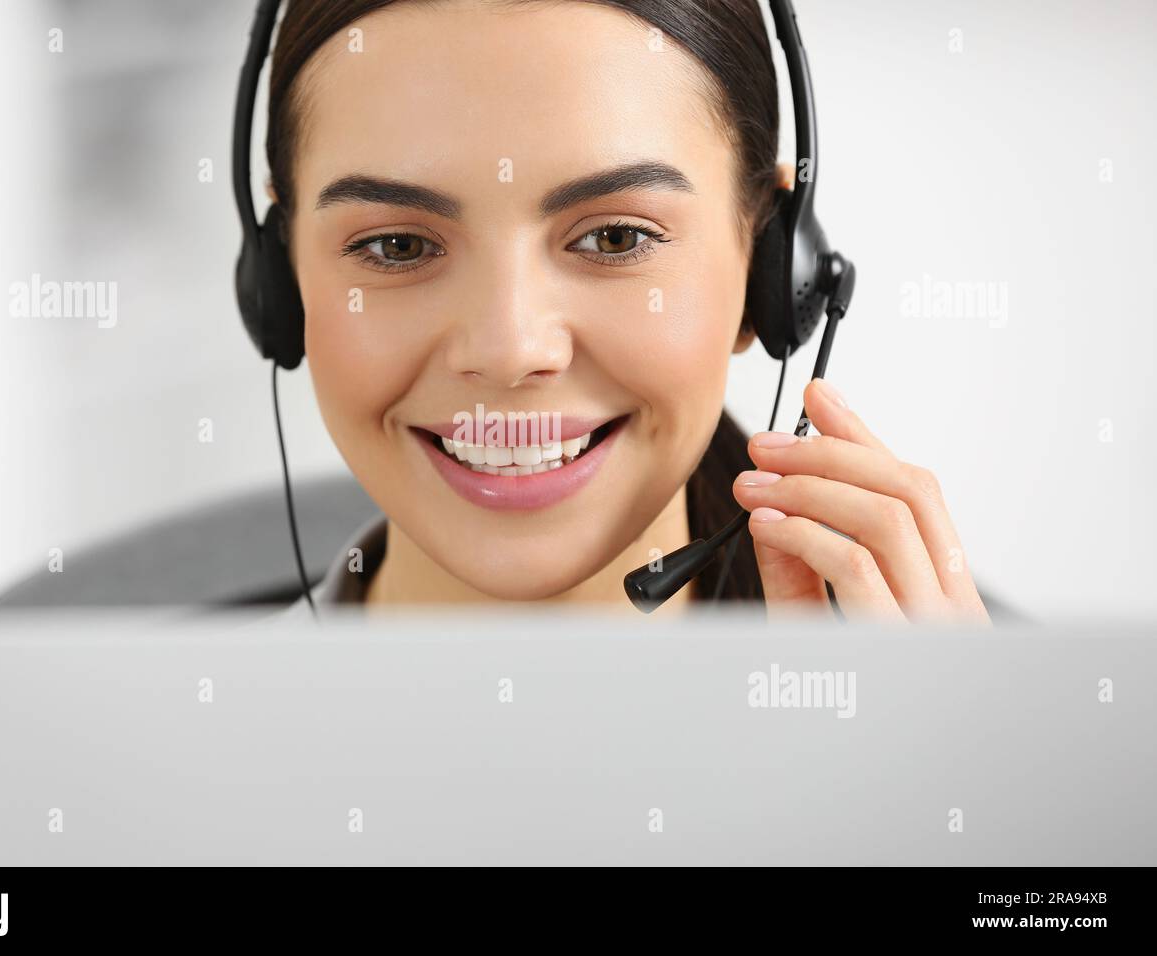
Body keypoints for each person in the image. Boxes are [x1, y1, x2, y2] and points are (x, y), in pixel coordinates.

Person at [264, 0, 992, 624]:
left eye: (615, 238)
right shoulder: (165, 750)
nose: (512, 348)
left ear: (767, 268)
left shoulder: (978, 739)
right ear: (278, 276)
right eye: (396, 247)